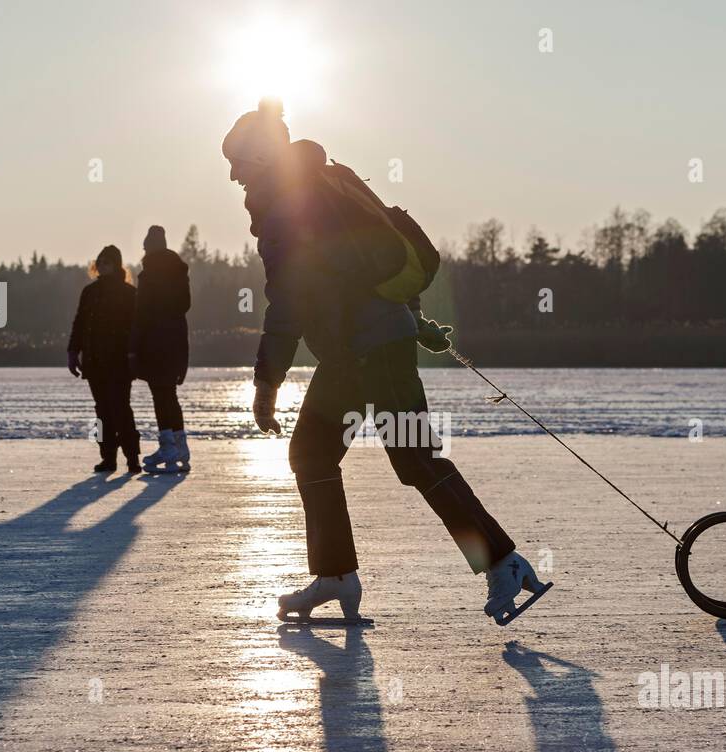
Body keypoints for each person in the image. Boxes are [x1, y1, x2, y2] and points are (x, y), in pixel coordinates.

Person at [221, 99, 547, 624]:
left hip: (365, 349)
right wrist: (412, 322)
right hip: (365, 347)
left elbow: (289, 300)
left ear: (259, 158)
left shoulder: (285, 203)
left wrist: (266, 381)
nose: (233, 175)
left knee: (413, 459)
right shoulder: (328, 180)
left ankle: (501, 561)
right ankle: (336, 576)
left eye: (237, 162)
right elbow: (379, 258)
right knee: (315, 454)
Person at [67, 245, 140, 473]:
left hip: (119, 363)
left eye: (107, 262)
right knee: (101, 411)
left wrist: (134, 356)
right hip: (94, 361)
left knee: (121, 409)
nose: (102, 265)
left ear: (116, 265)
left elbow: (136, 328)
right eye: (100, 261)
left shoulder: (129, 294)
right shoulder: (89, 292)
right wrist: (73, 351)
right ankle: (107, 457)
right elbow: (79, 323)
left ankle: (132, 458)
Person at [130, 225, 192, 474]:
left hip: (154, 344)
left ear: (150, 247)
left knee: (161, 395)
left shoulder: (149, 276)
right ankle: (179, 446)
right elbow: (185, 305)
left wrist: (133, 349)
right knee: (169, 394)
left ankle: (169, 447)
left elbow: (141, 314)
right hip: (176, 341)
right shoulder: (179, 273)